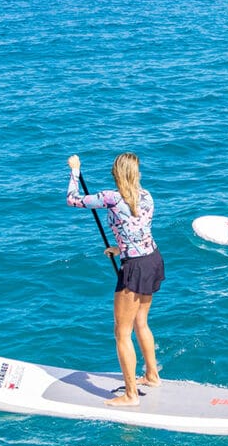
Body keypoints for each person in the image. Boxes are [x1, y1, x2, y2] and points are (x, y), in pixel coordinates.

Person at [67, 152, 164, 407]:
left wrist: (75, 171)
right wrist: (120, 248)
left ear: (117, 173)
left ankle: (131, 395)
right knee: (141, 321)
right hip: (152, 259)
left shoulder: (111, 198)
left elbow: (72, 199)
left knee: (122, 332)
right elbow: (137, 229)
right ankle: (152, 376)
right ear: (136, 173)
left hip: (134, 267)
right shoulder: (147, 196)